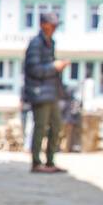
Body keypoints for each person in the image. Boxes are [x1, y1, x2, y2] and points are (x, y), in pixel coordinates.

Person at [23, 10, 68, 173]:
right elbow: (33, 69)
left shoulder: (50, 42)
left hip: (52, 91)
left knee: (56, 125)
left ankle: (50, 160)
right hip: (39, 92)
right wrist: (53, 67)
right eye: (51, 24)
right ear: (43, 25)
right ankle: (36, 162)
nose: (54, 28)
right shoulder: (36, 43)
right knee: (40, 127)